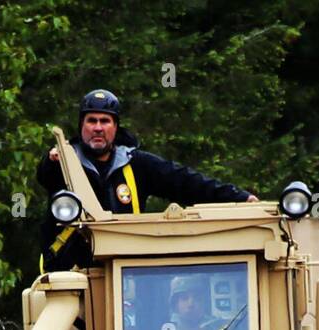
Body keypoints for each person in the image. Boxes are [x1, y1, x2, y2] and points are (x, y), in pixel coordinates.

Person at [38, 89, 258, 270]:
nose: (97, 128)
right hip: (70, 273)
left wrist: (240, 197)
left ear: (116, 127)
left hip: (124, 271)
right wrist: (52, 160)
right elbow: (44, 176)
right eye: (91, 121)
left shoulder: (136, 164)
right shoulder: (64, 162)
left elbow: (186, 182)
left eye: (105, 121)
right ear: (81, 125)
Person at [145, 277, 247, 330]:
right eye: (184, 298)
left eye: (197, 298)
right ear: (175, 305)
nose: (191, 304)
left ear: (205, 304)